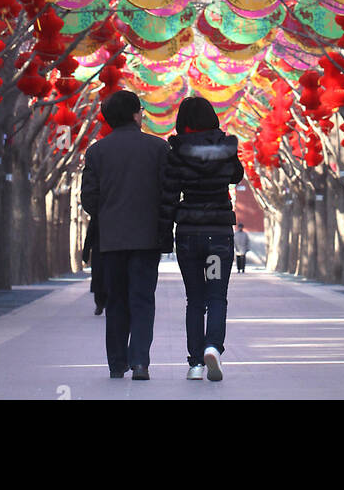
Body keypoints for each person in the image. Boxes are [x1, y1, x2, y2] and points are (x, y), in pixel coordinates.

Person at [81, 90, 168, 380]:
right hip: (147, 237)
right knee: (143, 299)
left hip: (111, 239)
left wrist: (108, 214)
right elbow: (168, 193)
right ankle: (140, 361)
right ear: (134, 114)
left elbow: (89, 199)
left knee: (116, 300)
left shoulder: (96, 152)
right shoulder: (158, 149)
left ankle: (116, 363)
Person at [159, 95, 244, 382]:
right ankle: (213, 348)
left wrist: (162, 235)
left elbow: (169, 196)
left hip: (188, 235)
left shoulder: (177, 152)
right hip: (218, 235)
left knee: (195, 299)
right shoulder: (225, 148)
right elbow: (236, 176)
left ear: (183, 122)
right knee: (217, 295)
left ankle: (195, 364)